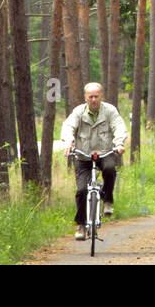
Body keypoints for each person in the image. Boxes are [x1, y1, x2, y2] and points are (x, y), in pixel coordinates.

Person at [61, 82, 128, 240]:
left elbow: (119, 126)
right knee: (82, 190)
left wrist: (119, 142)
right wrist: (68, 142)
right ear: (85, 97)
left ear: (101, 96)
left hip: (104, 153)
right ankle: (82, 224)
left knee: (110, 169)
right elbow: (68, 126)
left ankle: (108, 200)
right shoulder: (79, 112)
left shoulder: (110, 111)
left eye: (96, 96)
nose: (93, 99)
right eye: (90, 96)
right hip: (83, 156)